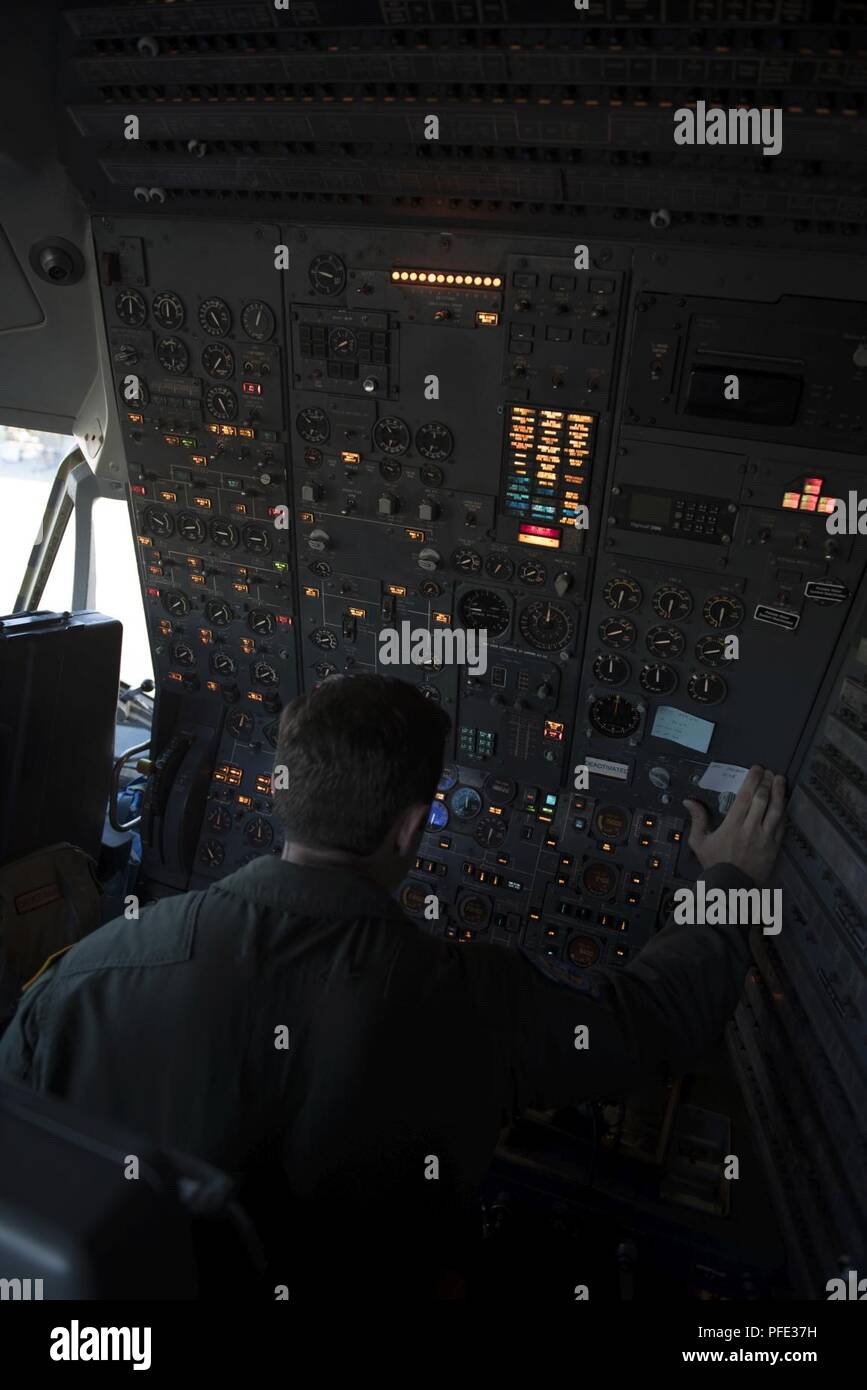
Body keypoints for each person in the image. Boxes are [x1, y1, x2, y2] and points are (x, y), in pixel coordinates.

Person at [0, 675, 786, 1300]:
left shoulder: (87, 972)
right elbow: (648, 1025)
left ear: (280, 795)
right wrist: (729, 882)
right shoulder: (473, 998)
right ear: (413, 829)